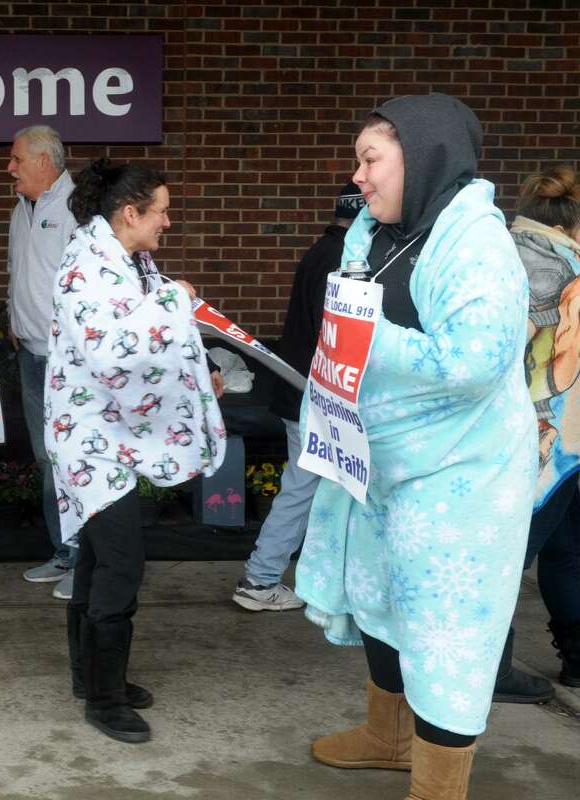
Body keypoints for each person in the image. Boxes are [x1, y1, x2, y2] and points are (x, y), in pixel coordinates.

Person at [296, 95, 536, 798]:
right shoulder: (374, 230)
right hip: (381, 465)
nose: (358, 177)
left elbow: (475, 359)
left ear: (424, 153)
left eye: (371, 159)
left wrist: (365, 332)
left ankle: (437, 786)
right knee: (379, 598)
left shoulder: (474, 242)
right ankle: (388, 737)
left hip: (460, 475)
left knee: (443, 632)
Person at [47, 157, 226, 743]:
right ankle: (104, 698)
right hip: (87, 443)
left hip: (107, 437)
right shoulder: (86, 268)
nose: (168, 222)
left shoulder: (127, 260)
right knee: (122, 561)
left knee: (99, 561)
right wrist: (176, 302)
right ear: (130, 213)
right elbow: (115, 353)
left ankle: (93, 678)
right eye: (163, 210)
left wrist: (200, 370)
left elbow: (151, 343)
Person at [232, 181, 363, 612]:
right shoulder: (348, 261)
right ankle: (261, 578)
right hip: (319, 396)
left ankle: (267, 577)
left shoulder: (318, 252)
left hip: (300, 389)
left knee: (308, 487)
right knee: (306, 489)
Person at [493, 165, 580, 702]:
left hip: (521, 439)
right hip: (563, 440)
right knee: (561, 550)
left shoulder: (497, 257)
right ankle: (567, 661)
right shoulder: (568, 268)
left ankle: (498, 665)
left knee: (510, 554)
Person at [6, 125, 79, 599]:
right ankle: (65, 550)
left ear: (42, 161)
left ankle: (86, 558)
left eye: (16, 159)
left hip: (68, 361)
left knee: (74, 460)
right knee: (47, 458)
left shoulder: (76, 209)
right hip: (29, 356)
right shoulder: (21, 208)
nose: (9, 168)